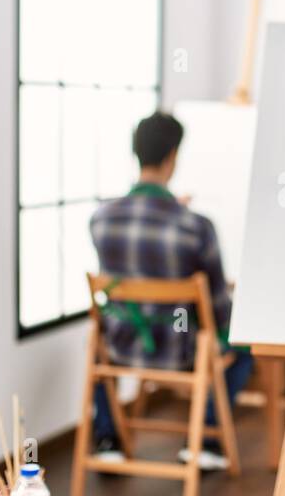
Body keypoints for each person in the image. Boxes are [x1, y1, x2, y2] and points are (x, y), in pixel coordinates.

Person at [88, 111, 252, 471]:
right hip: (179, 350)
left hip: (120, 346)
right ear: (172, 157)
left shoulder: (101, 219)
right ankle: (206, 440)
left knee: (96, 335)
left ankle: (107, 439)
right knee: (246, 346)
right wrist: (227, 339)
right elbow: (218, 305)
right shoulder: (195, 227)